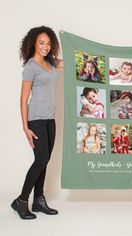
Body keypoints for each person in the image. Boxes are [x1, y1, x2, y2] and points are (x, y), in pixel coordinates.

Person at [11, 26, 63, 220]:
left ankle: (39, 200)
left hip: (50, 118)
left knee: (45, 160)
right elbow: (23, 99)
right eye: (41, 43)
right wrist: (25, 127)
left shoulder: (50, 63)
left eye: (49, 43)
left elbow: (72, 63)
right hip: (36, 119)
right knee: (40, 160)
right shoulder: (30, 66)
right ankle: (21, 201)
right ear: (33, 43)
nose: (45, 47)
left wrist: (69, 39)